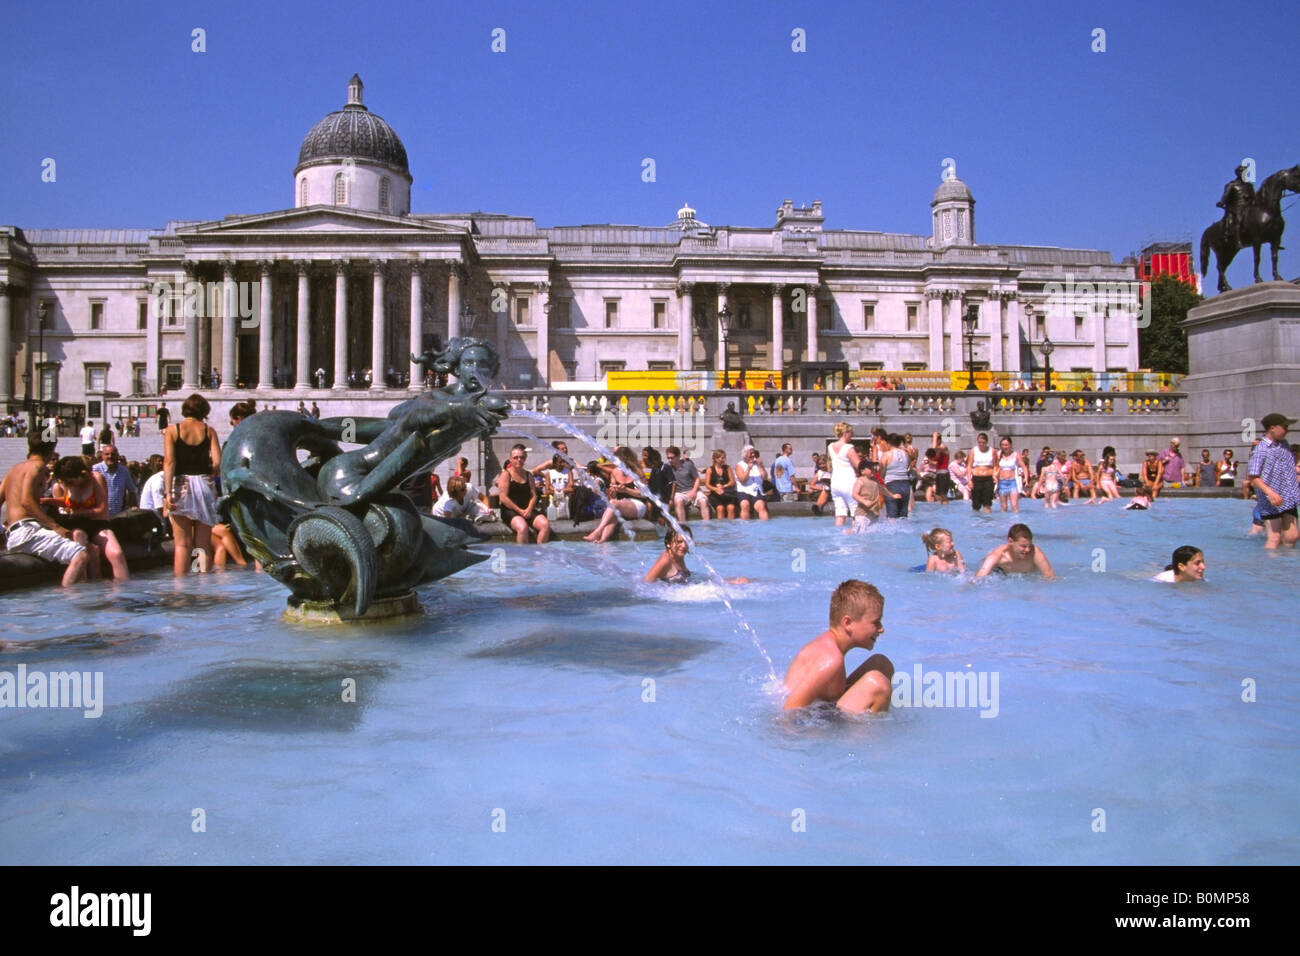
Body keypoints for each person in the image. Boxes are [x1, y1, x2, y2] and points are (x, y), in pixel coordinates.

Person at [782, 579, 893, 714]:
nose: (881, 629)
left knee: (881, 664)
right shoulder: (831, 660)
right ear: (847, 623)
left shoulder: (833, 650)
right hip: (811, 721)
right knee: (878, 684)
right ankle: (867, 734)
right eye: (876, 623)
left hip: (823, 710)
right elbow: (789, 712)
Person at [0, 437, 91, 587]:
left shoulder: (14, 470)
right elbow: (26, 501)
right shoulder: (38, 467)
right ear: (50, 450)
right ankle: (68, 601)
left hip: (14, 534)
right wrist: (55, 526)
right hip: (28, 532)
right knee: (81, 555)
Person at [163, 393, 222, 575]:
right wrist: (212, 473)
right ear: (204, 411)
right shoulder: (208, 430)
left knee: (182, 544)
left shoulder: (173, 430)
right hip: (204, 484)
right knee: (202, 544)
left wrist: (167, 493)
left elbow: (169, 462)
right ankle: (203, 583)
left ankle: (180, 587)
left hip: (182, 484)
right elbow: (218, 461)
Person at [45, 455, 129, 580]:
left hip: (98, 523)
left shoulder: (96, 478)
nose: (67, 485)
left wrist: (78, 512)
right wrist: (48, 500)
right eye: (65, 482)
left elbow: (101, 508)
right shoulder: (65, 483)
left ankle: (125, 591)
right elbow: (69, 502)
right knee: (82, 541)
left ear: (83, 474)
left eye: (70, 482)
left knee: (117, 553)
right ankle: (83, 589)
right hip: (77, 524)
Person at [1247, 412, 1299, 549]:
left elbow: (1288, 468)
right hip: (1271, 499)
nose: (1287, 430)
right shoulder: (1261, 449)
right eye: (1284, 427)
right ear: (1272, 428)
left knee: (1292, 536)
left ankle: (1286, 565)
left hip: (1288, 496)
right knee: (1274, 538)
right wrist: (1270, 493)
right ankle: (1269, 568)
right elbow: (1253, 477)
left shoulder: (1284, 444)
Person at [644, 525, 748, 586]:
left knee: (743, 580)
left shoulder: (677, 556)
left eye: (687, 541)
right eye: (679, 542)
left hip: (688, 585)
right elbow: (646, 584)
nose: (684, 546)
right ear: (668, 543)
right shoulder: (666, 559)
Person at [498, 444, 552, 544]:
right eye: (515, 457)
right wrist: (519, 511)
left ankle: (541, 553)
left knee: (545, 524)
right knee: (522, 528)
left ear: (525, 458)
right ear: (510, 459)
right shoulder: (506, 474)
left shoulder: (528, 475)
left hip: (526, 509)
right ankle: (523, 557)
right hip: (510, 510)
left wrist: (529, 509)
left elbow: (534, 495)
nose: (519, 460)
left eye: (521, 457)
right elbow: (503, 497)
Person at [974, 523, 1056, 579]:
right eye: (1023, 546)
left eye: (1029, 546)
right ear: (1010, 542)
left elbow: (1050, 577)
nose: (1027, 550)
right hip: (999, 571)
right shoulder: (998, 556)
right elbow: (979, 578)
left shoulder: (1035, 553)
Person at [92, 444, 139, 518]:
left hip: (117, 515)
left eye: (113, 454)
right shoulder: (94, 469)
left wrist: (133, 506)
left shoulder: (124, 471)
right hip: (98, 516)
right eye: (107, 454)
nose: (110, 456)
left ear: (117, 456)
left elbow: (132, 490)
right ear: (102, 456)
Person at [845, 458, 891, 533]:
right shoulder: (860, 481)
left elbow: (883, 490)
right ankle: (845, 534)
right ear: (862, 471)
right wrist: (864, 501)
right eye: (870, 468)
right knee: (859, 534)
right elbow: (854, 494)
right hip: (863, 514)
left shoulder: (875, 481)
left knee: (870, 534)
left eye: (873, 468)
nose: (873, 469)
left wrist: (892, 495)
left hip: (873, 513)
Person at [666, 445, 708, 522]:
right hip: (679, 493)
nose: (670, 460)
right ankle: (683, 526)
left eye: (672, 458)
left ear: (678, 456)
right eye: (668, 458)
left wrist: (694, 491)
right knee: (679, 501)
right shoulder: (668, 468)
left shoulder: (688, 465)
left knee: (703, 501)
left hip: (693, 490)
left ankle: (706, 525)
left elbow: (697, 479)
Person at [733, 445, 769, 520]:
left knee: (761, 505)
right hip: (743, 491)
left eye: (754, 453)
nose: (753, 455)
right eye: (751, 453)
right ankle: (745, 527)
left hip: (756, 491)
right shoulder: (739, 465)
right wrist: (748, 468)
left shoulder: (757, 464)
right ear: (745, 455)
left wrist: (761, 466)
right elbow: (743, 480)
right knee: (745, 504)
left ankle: (765, 526)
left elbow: (765, 478)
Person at [995, 437, 1030, 512]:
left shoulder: (1016, 454)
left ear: (1010, 445)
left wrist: (1026, 478)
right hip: (1002, 483)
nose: (1004, 447)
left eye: (1006, 445)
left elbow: (1024, 467)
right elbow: (995, 467)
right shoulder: (998, 454)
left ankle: (1015, 521)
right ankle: (1003, 523)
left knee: (1014, 506)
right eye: (1002, 445)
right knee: (1004, 507)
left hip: (1012, 482)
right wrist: (994, 477)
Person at [703, 449, 738, 520]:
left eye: (724, 458)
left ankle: (731, 527)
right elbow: (707, 485)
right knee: (720, 508)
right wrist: (716, 489)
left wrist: (724, 486)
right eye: (722, 458)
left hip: (727, 493)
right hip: (715, 495)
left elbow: (732, 482)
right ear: (716, 459)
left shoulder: (727, 468)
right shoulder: (710, 469)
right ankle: (721, 528)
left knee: (731, 508)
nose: (724, 460)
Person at [968, 432, 996, 514]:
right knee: (976, 503)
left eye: (983, 442)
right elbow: (969, 466)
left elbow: (996, 466)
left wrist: (995, 476)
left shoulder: (992, 451)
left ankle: (988, 521)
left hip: (988, 479)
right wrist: (969, 480)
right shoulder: (974, 450)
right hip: (977, 478)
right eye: (979, 442)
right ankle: (976, 522)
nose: (981, 444)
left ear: (986, 442)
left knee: (987, 502)